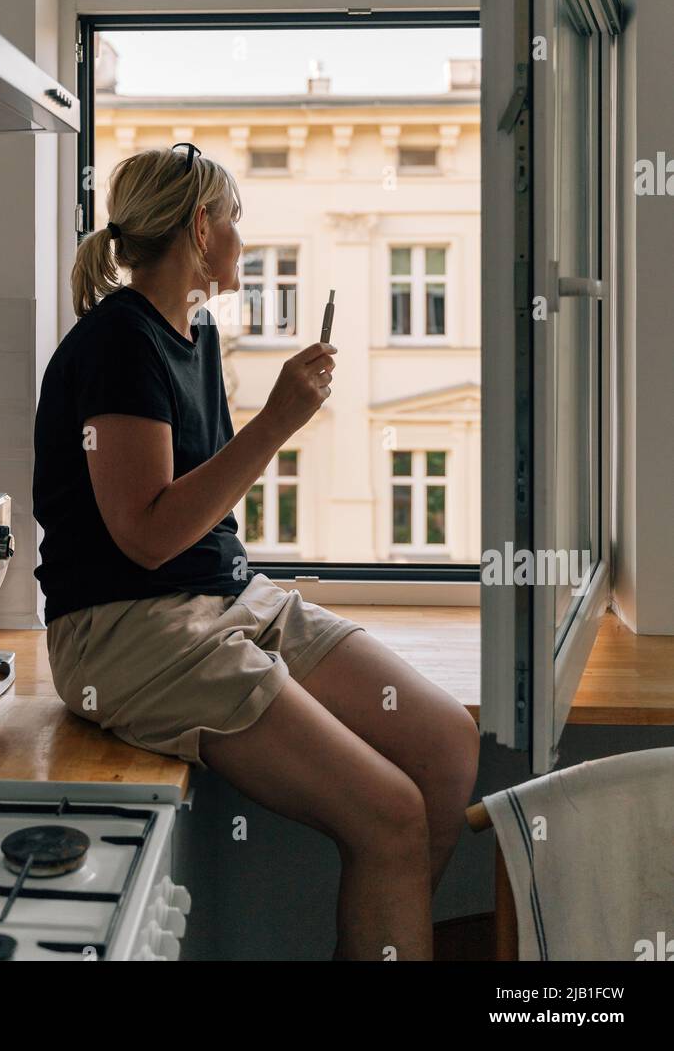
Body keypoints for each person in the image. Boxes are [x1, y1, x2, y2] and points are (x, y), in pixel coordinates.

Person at [33, 141, 479, 961]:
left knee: (446, 744)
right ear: (202, 229)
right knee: (390, 817)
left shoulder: (192, 336)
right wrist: (279, 421)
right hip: (128, 628)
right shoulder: (117, 344)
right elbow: (148, 536)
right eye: (236, 220)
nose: (242, 236)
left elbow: (201, 515)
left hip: (225, 599)